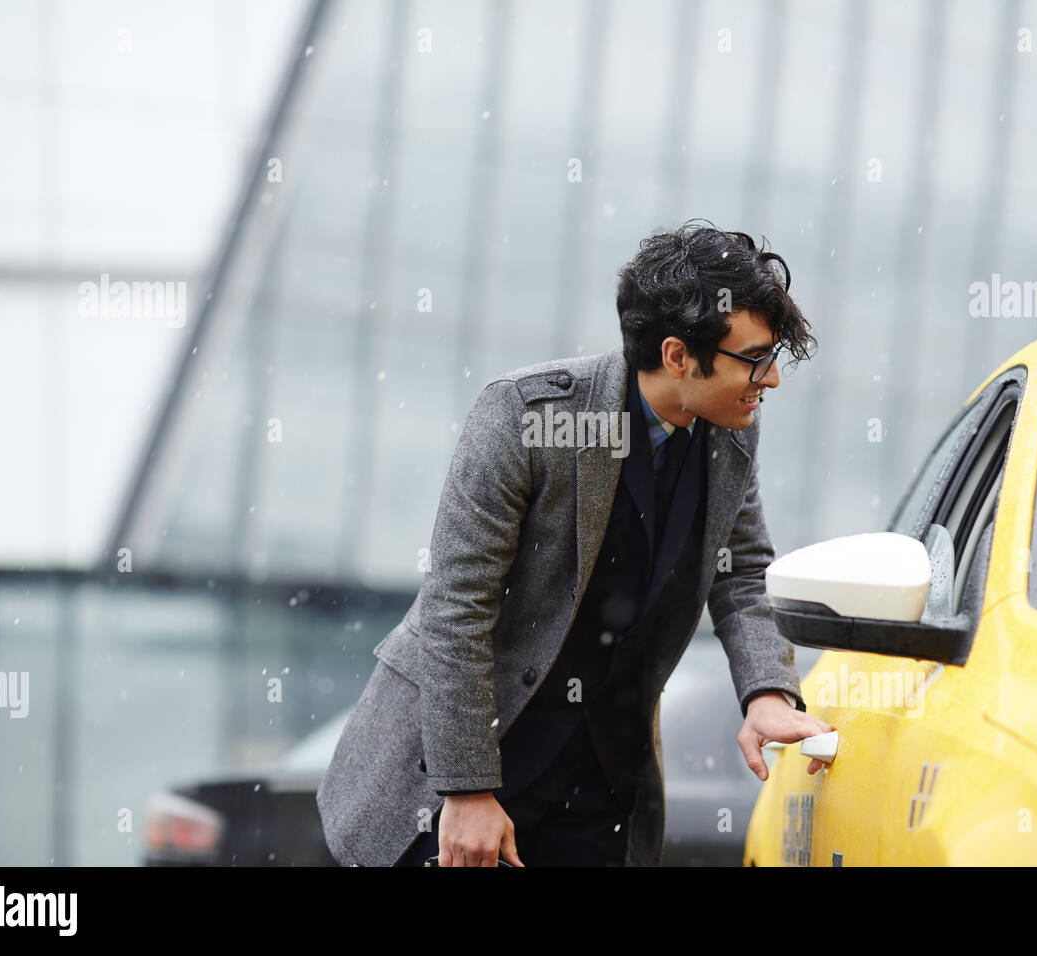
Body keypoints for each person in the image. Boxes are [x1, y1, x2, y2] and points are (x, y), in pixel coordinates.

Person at [316, 219, 834, 867]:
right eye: (755, 359)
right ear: (677, 355)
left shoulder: (730, 431)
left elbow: (743, 572)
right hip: (452, 776)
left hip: (599, 789)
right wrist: (470, 790)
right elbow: (458, 608)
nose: (773, 379)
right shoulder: (528, 416)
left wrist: (767, 694)